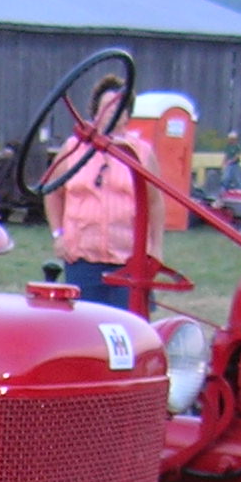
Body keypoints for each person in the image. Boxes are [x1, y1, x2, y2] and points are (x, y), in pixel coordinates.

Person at [43, 75, 164, 312]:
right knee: (85, 327)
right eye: (106, 107)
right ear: (95, 112)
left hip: (128, 261)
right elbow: (51, 192)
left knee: (128, 327)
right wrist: (58, 234)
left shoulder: (142, 153)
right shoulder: (73, 149)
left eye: (118, 107)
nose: (112, 113)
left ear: (128, 114)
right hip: (82, 259)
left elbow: (156, 203)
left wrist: (156, 248)